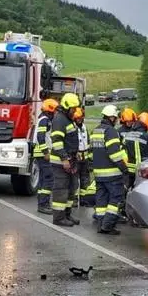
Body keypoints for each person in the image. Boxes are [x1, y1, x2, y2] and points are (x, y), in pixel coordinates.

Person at [91, 105, 130, 234]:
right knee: (116, 199)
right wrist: (124, 169)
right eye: (116, 117)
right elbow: (114, 154)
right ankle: (107, 226)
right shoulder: (111, 131)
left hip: (98, 174)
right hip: (112, 174)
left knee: (101, 200)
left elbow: (92, 152)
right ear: (112, 117)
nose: (117, 120)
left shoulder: (96, 130)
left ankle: (101, 224)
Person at [48, 93, 83, 226]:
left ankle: (67, 215)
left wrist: (76, 153)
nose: (75, 111)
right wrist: (64, 158)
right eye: (73, 109)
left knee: (72, 187)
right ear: (67, 107)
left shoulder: (68, 119)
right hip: (60, 161)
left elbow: (71, 140)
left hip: (71, 159)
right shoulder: (60, 120)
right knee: (61, 189)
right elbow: (57, 142)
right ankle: (58, 218)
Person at [34, 99, 59, 214]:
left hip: (40, 153)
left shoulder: (43, 119)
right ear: (50, 110)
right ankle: (43, 204)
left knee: (43, 179)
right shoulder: (44, 120)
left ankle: (41, 203)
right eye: (55, 111)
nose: (56, 114)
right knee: (49, 178)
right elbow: (41, 137)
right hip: (43, 153)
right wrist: (45, 152)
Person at [118, 108, 143, 220]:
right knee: (124, 188)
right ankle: (121, 209)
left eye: (132, 121)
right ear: (123, 120)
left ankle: (128, 210)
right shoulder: (119, 132)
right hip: (124, 165)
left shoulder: (135, 130)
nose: (130, 123)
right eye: (128, 121)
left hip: (133, 165)